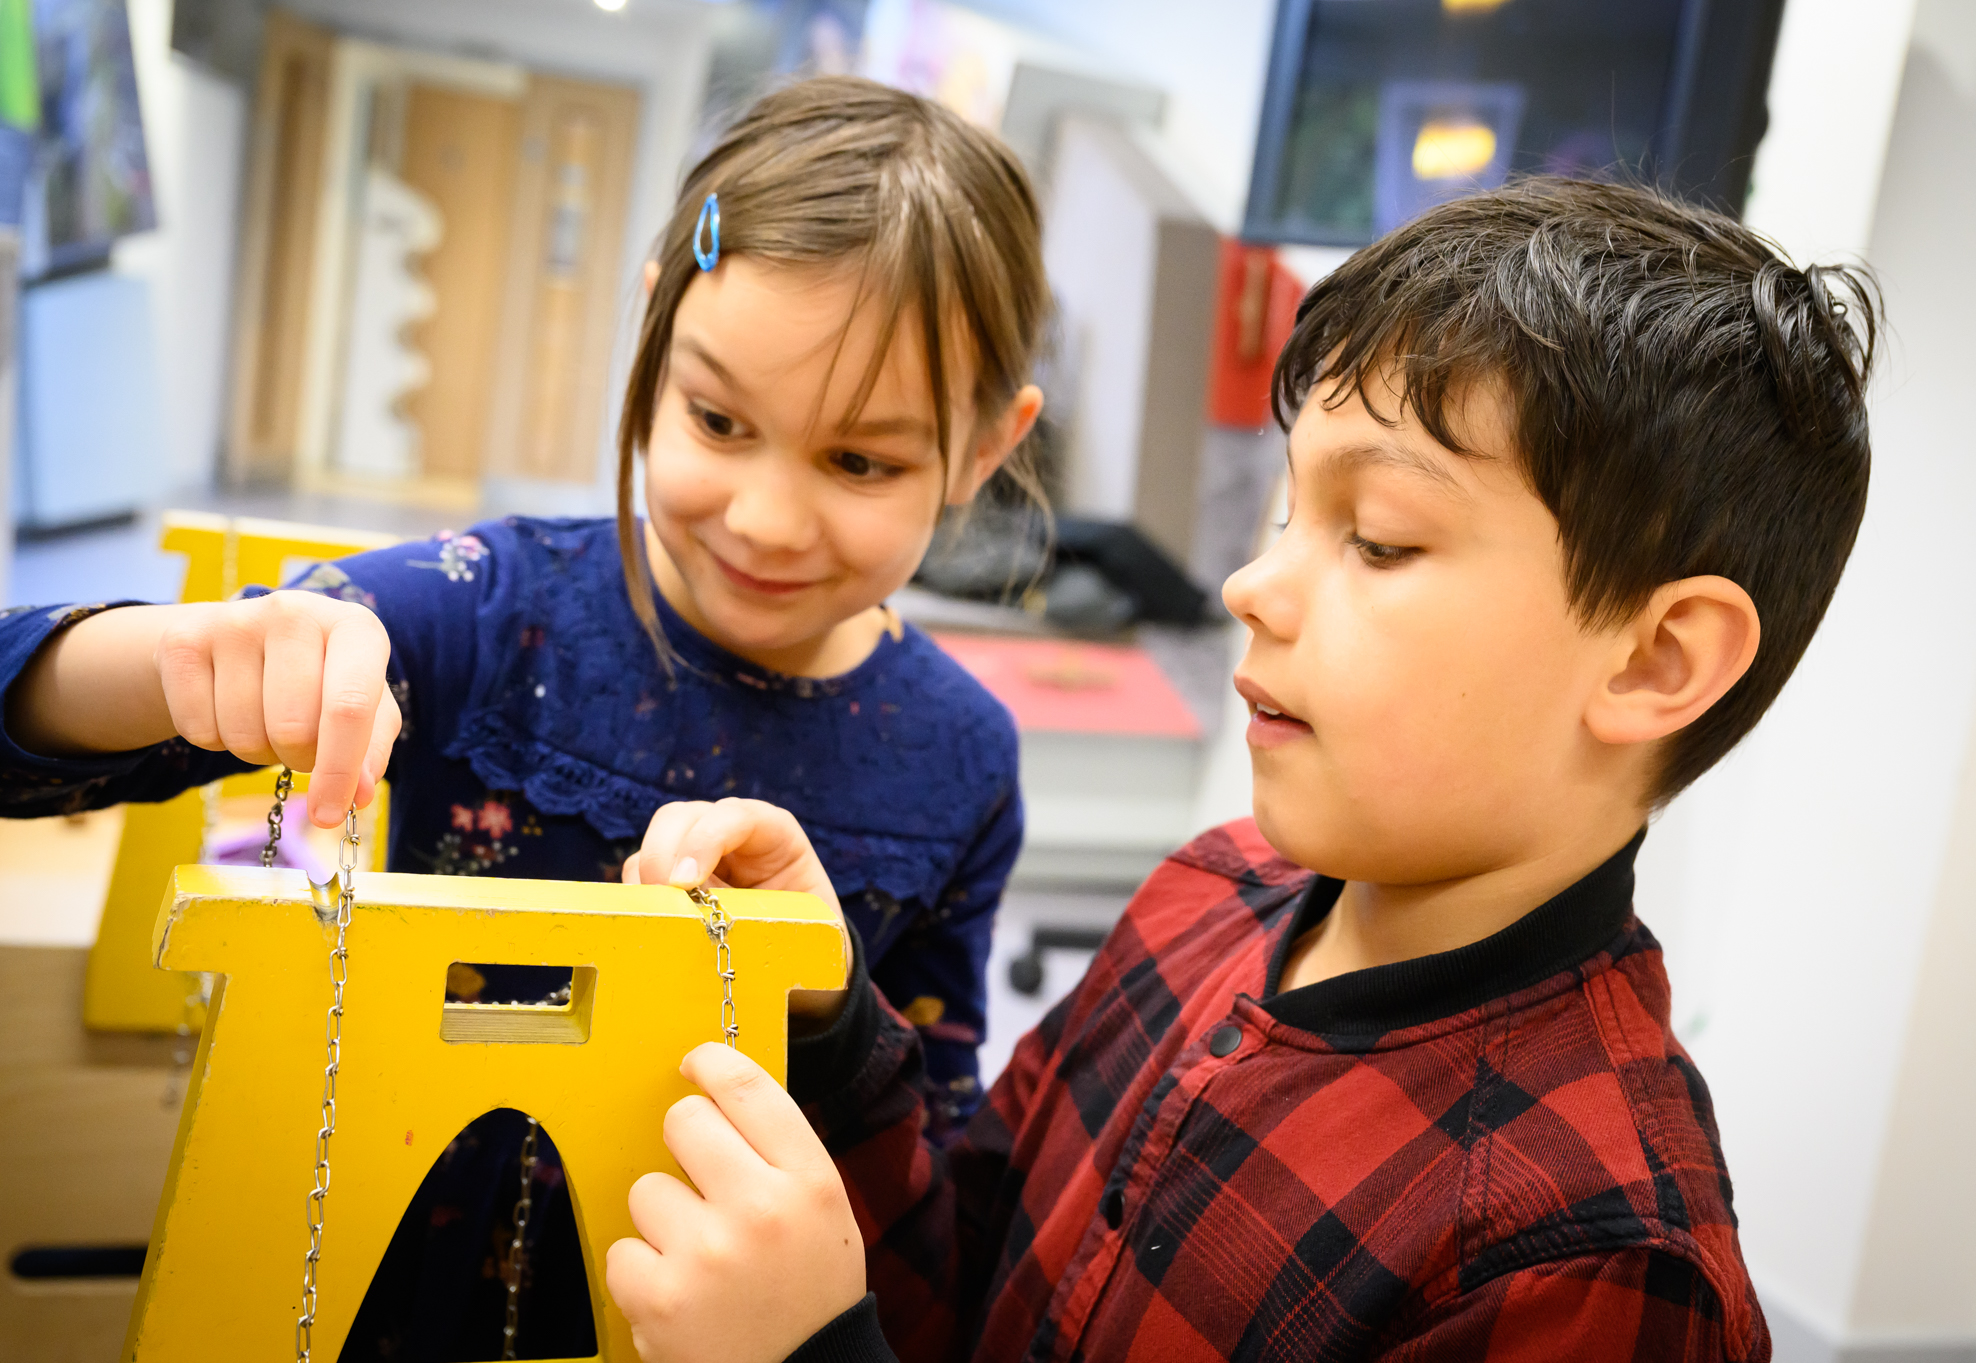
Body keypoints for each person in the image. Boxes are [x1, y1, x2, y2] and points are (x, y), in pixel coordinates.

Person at [605, 178, 1881, 1363]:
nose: (1249, 587)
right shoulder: (1206, 891)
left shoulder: (1590, 1259)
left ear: (1656, 659)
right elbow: (957, 1274)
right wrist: (828, 1020)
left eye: (1377, 540)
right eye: (1289, 515)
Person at [0, 77, 1048, 1360]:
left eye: (860, 462)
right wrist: (175, 656)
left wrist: (829, 1014)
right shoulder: (486, 612)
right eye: (717, 420)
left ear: (987, 448)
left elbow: (926, 1174)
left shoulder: (961, 758)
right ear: (656, 331)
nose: (768, 520)